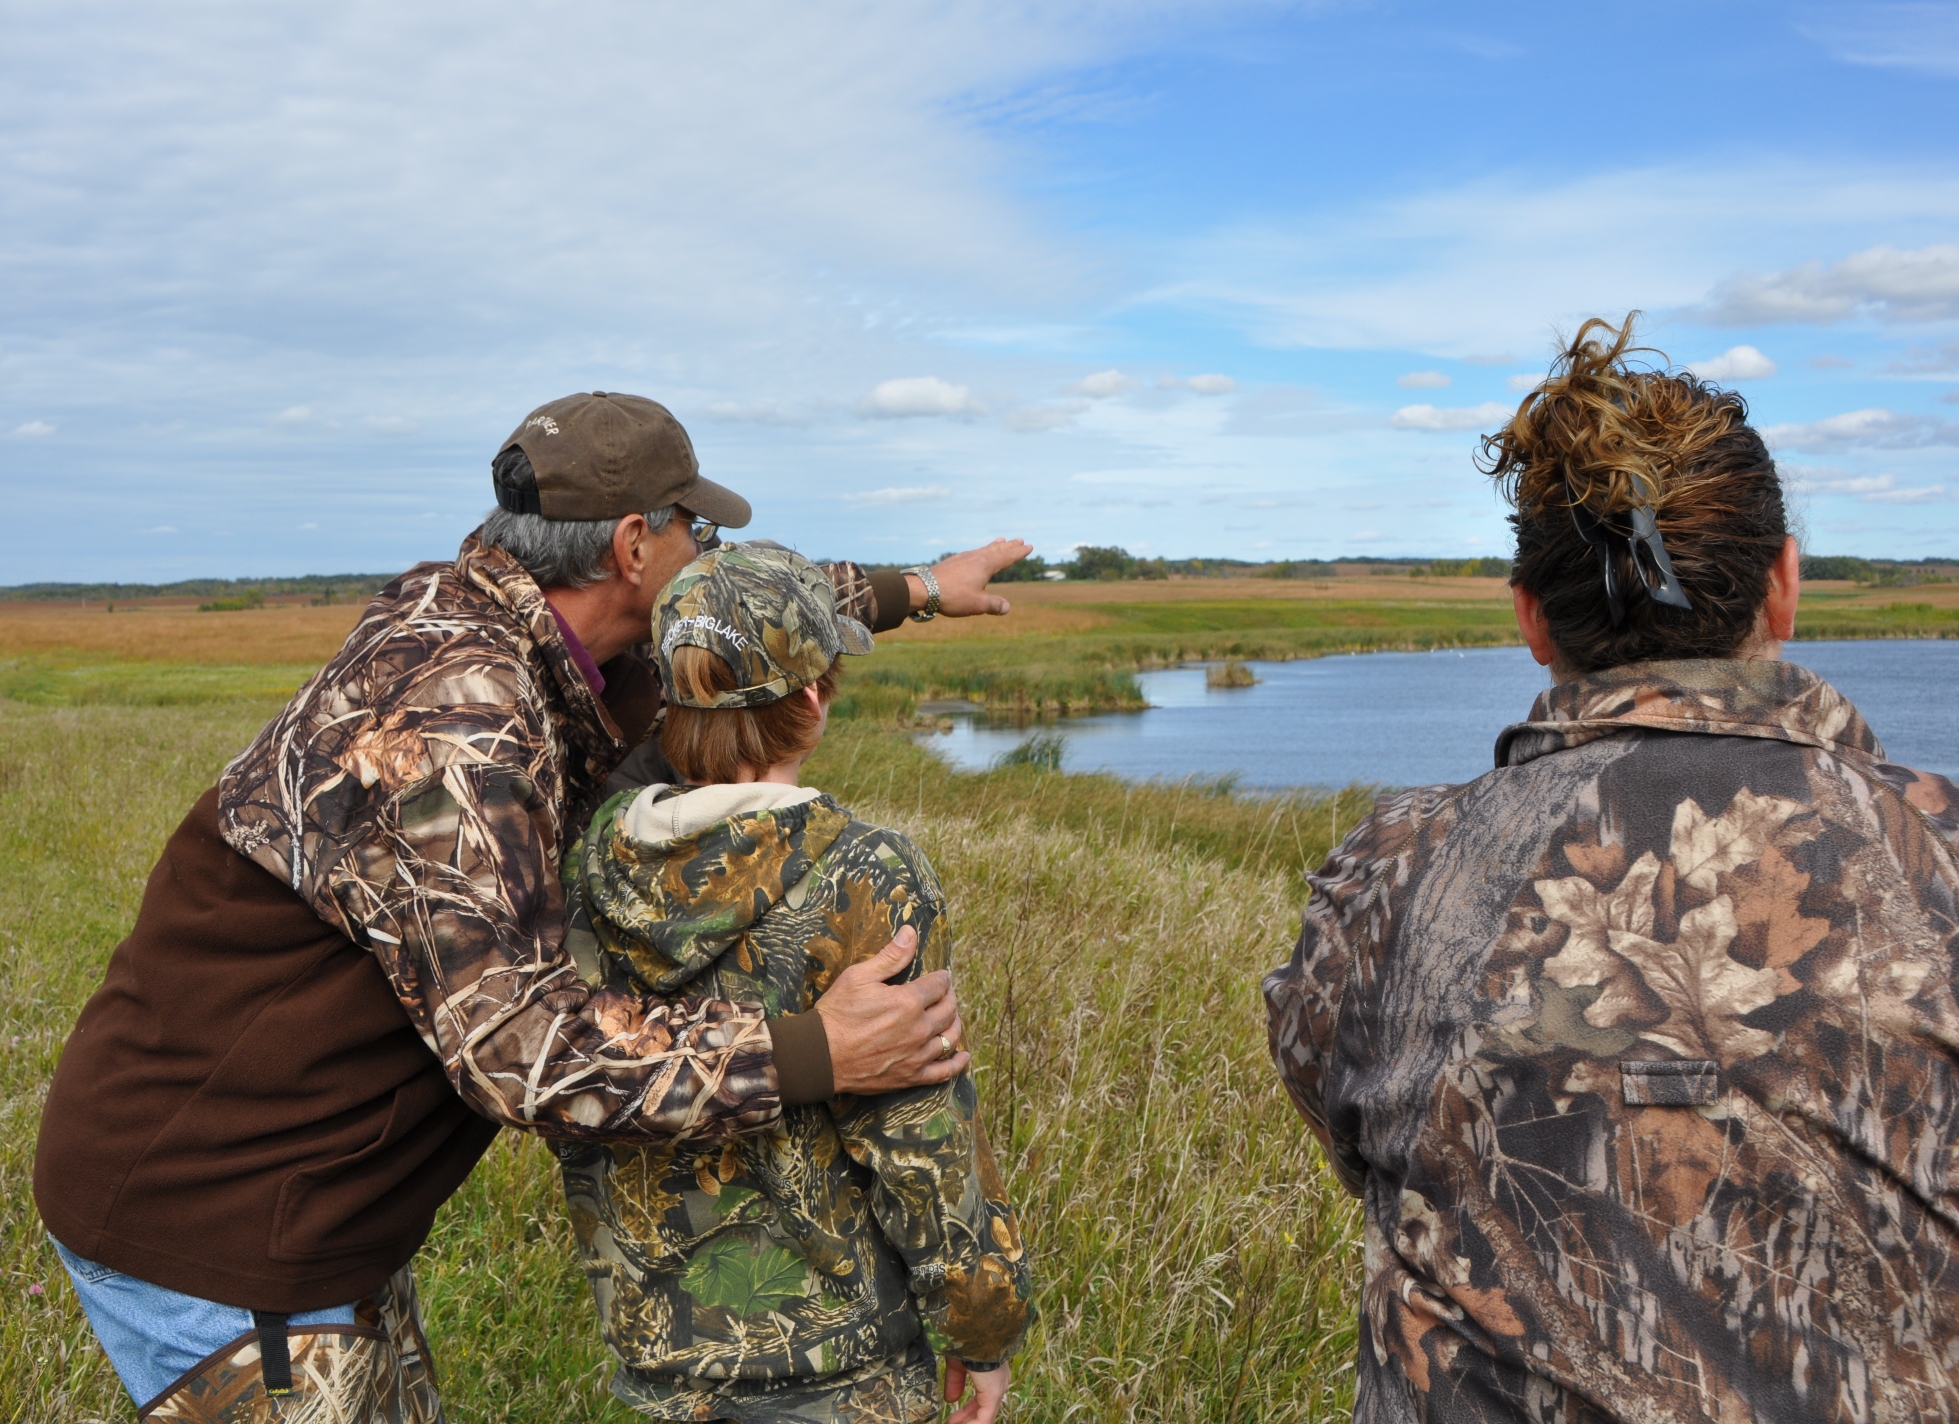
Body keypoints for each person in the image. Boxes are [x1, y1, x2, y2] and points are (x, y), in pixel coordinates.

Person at [33, 391, 1032, 1420]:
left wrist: (912, 587)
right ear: (636, 544)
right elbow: (518, 1047)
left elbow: (736, 620)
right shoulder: (458, 718)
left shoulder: (518, 620)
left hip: (312, 1213)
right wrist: (813, 1051)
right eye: (702, 526)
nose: (710, 548)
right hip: (216, 1218)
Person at [1265, 317, 1959, 1422]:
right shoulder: (1940, 862)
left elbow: (1353, 1127)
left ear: (1533, 619)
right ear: (1784, 585)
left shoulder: (1392, 881)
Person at [555, 542, 1032, 1424]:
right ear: (811, 699)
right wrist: (982, 1326)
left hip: (660, 1354)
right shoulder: (863, 869)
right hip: (839, 1367)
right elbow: (920, 1135)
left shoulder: (592, 856)